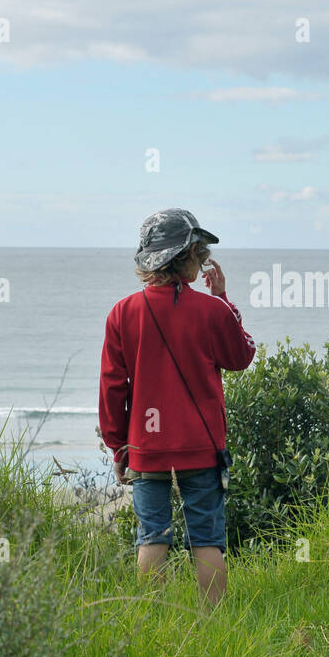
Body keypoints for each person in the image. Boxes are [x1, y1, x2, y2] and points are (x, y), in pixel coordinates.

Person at [98, 209, 256, 606]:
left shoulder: (122, 312)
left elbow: (112, 388)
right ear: (189, 257)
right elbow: (241, 356)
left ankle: (155, 622)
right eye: (198, 254)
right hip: (201, 443)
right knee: (207, 540)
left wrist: (119, 446)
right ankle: (213, 625)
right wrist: (222, 298)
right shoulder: (212, 311)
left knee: (152, 537)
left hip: (145, 446)